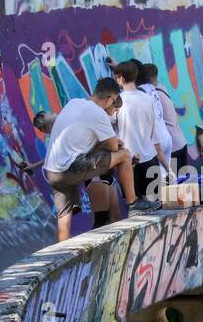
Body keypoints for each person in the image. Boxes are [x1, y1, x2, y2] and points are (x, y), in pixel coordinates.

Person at [44, 77, 157, 242]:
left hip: (53, 171)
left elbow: (80, 138)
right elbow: (113, 147)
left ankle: (60, 257)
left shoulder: (74, 103)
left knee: (64, 217)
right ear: (110, 98)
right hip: (71, 167)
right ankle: (133, 204)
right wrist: (118, 147)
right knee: (125, 155)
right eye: (113, 101)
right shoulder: (98, 113)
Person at [114, 62, 172, 201]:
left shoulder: (117, 102)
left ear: (120, 78)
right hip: (150, 158)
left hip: (130, 163)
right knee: (156, 208)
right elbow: (152, 131)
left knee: (135, 210)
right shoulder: (148, 98)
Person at [139, 63, 189, 172]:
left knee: (173, 183)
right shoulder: (161, 88)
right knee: (183, 182)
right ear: (156, 77)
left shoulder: (151, 95)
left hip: (172, 148)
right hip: (181, 142)